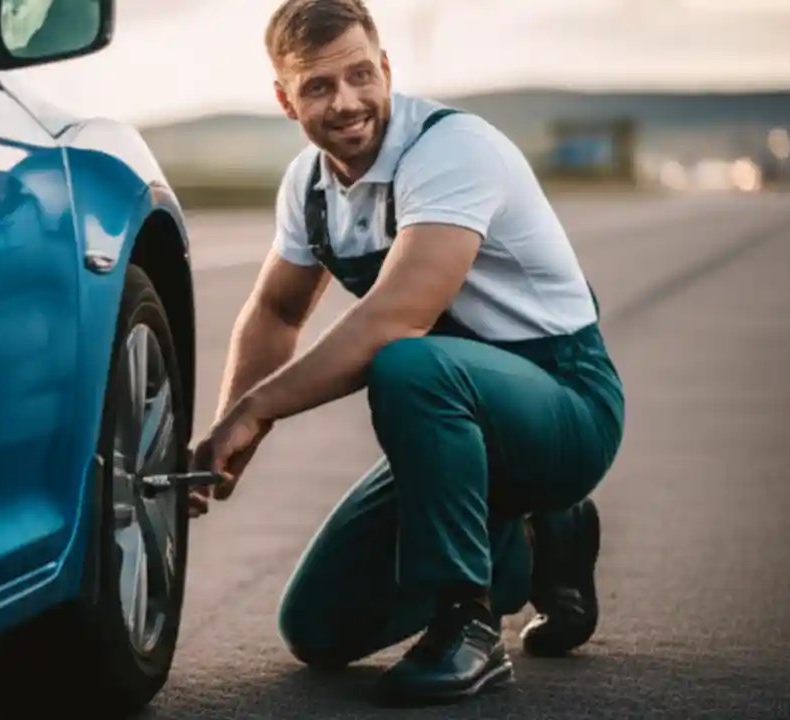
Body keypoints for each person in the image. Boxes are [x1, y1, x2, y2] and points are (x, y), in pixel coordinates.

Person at [189, 0, 626, 707]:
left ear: (386, 67)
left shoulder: (453, 149)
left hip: (565, 405)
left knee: (405, 363)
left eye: (362, 75)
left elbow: (399, 316)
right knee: (317, 630)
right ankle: (536, 543)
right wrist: (231, 435)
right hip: (462, 425)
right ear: (283, 98)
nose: (348, 102)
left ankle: (468, 623)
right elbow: (276, 311)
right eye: (318, 87)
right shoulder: (309, 186)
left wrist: (257, 409)